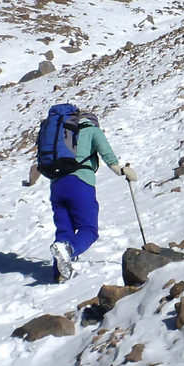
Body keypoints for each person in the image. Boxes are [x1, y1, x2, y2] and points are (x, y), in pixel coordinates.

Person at [47, 110, 134, 282]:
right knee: (89, 229)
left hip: (56, 185)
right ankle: (69, 250)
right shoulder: (92, 130)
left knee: (64, 230)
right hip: (80, 183)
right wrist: (122, 171)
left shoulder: (60, 135)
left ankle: (59, 274)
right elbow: (107, 154)